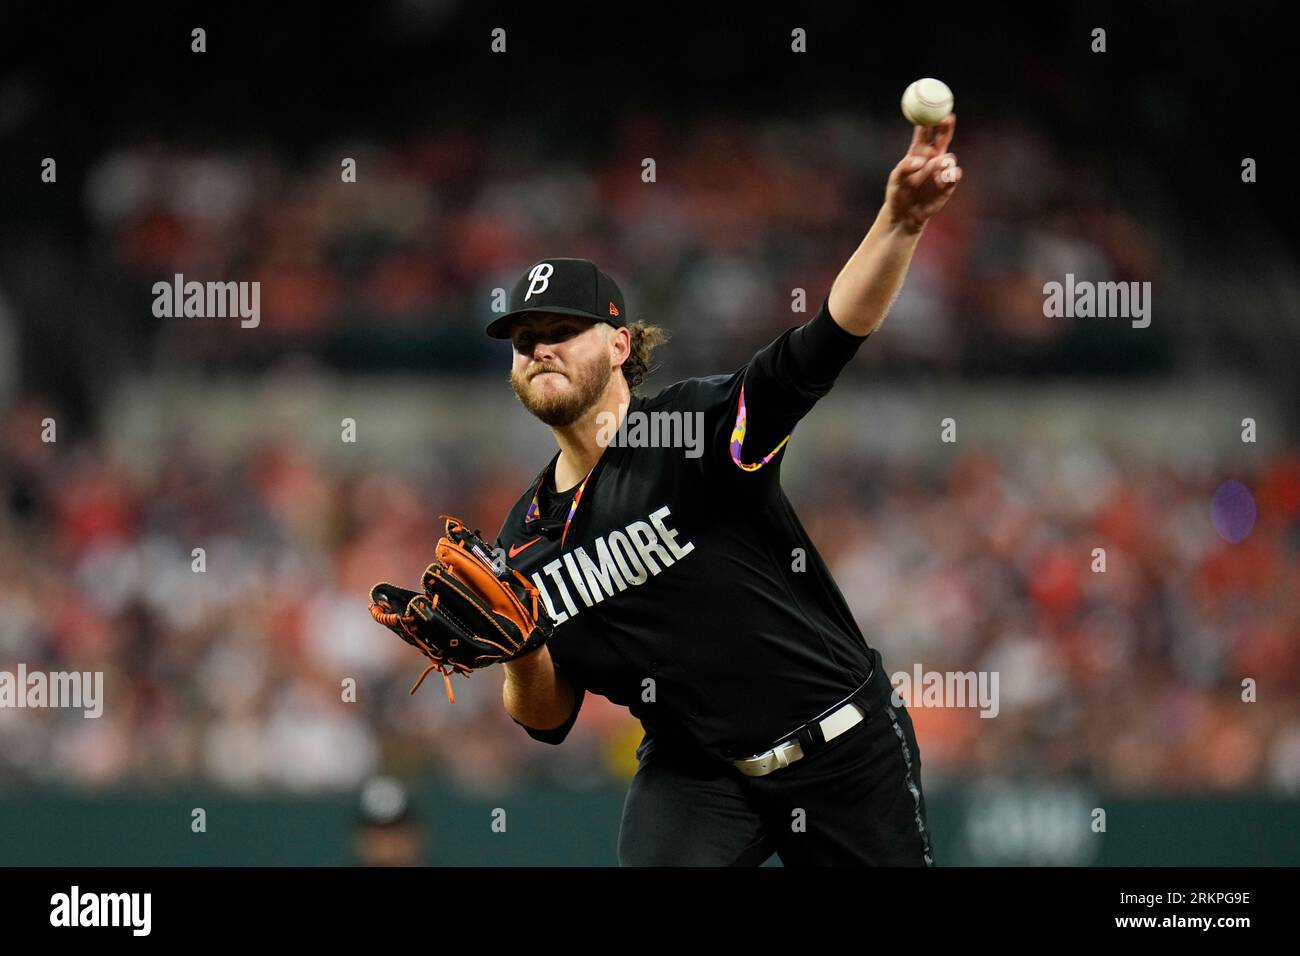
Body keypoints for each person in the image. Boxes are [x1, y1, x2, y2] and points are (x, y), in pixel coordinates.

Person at [488, 116, 962, 865]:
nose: (539, 346)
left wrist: (897, 225)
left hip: (839, 742)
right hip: (698, 771)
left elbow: (820, 347)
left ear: (618, 345)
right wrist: (518, 650)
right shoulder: (523, 533)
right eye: (523, 340)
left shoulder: (691, 432)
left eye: (561, 329)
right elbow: (546, 718)